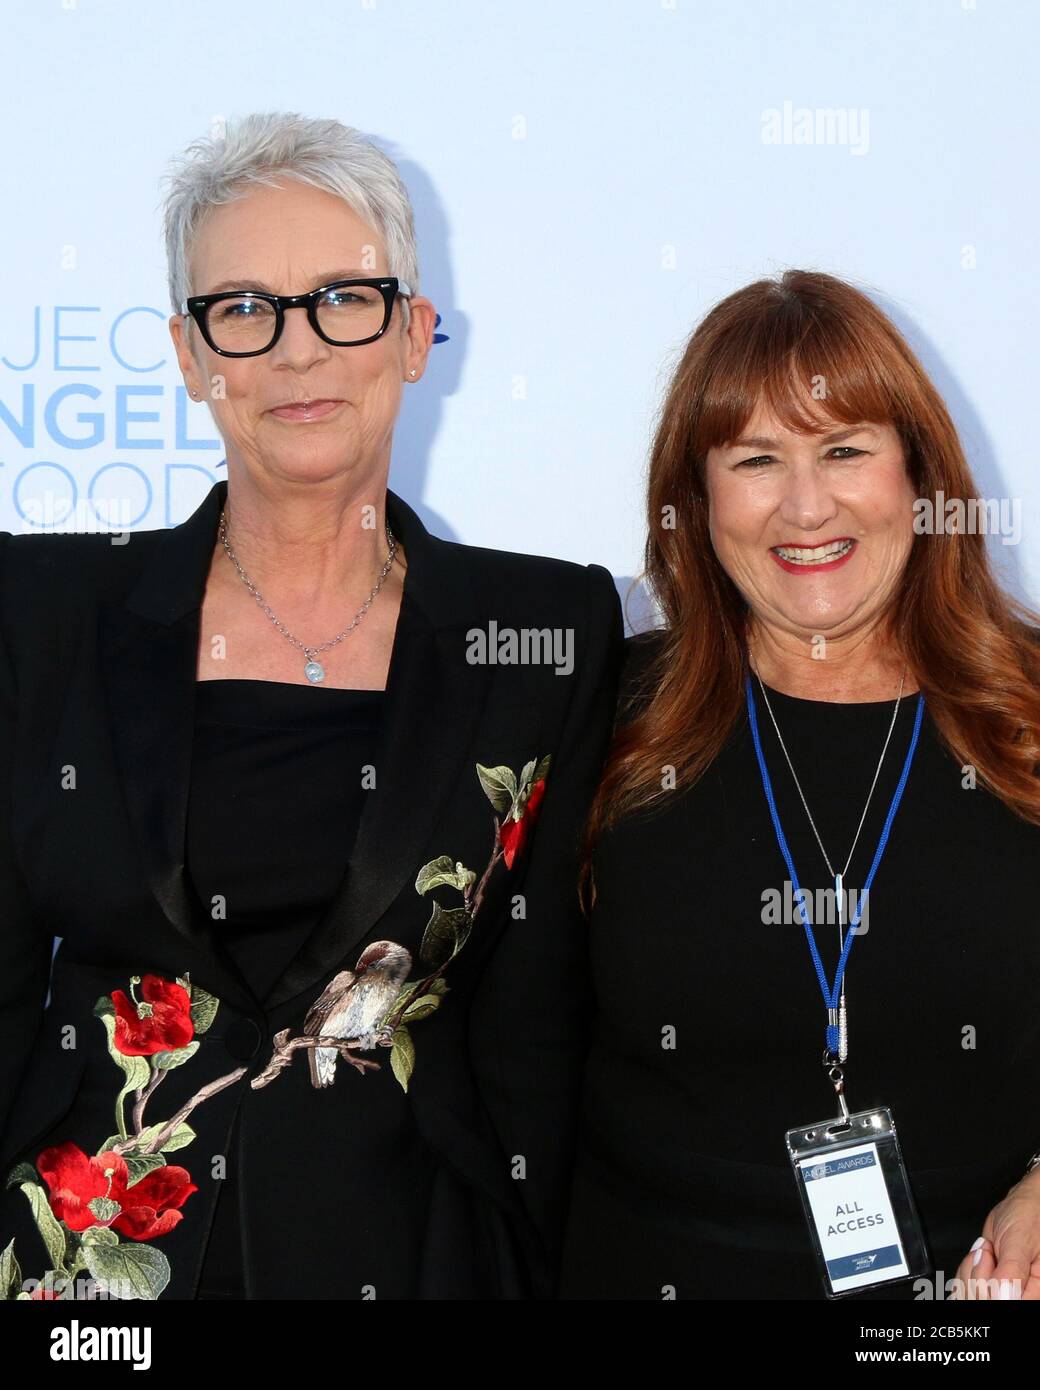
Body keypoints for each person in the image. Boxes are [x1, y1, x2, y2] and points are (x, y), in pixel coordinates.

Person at [0, 112, 623, 1301]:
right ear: (190, 355)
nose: (295, 350)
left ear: (412, 335)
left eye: (344, 296)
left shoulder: (544, 631)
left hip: (411, 1248)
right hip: (90, 1274)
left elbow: (536, 1020)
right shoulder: (44, 610)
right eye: (243, 308)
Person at [559, 269, 1040, 1301]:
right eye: (755, 459)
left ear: (917, 472)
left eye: (844, 449)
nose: (806, 504)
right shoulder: (605, 717)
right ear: (694, 499)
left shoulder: (1028, 714)